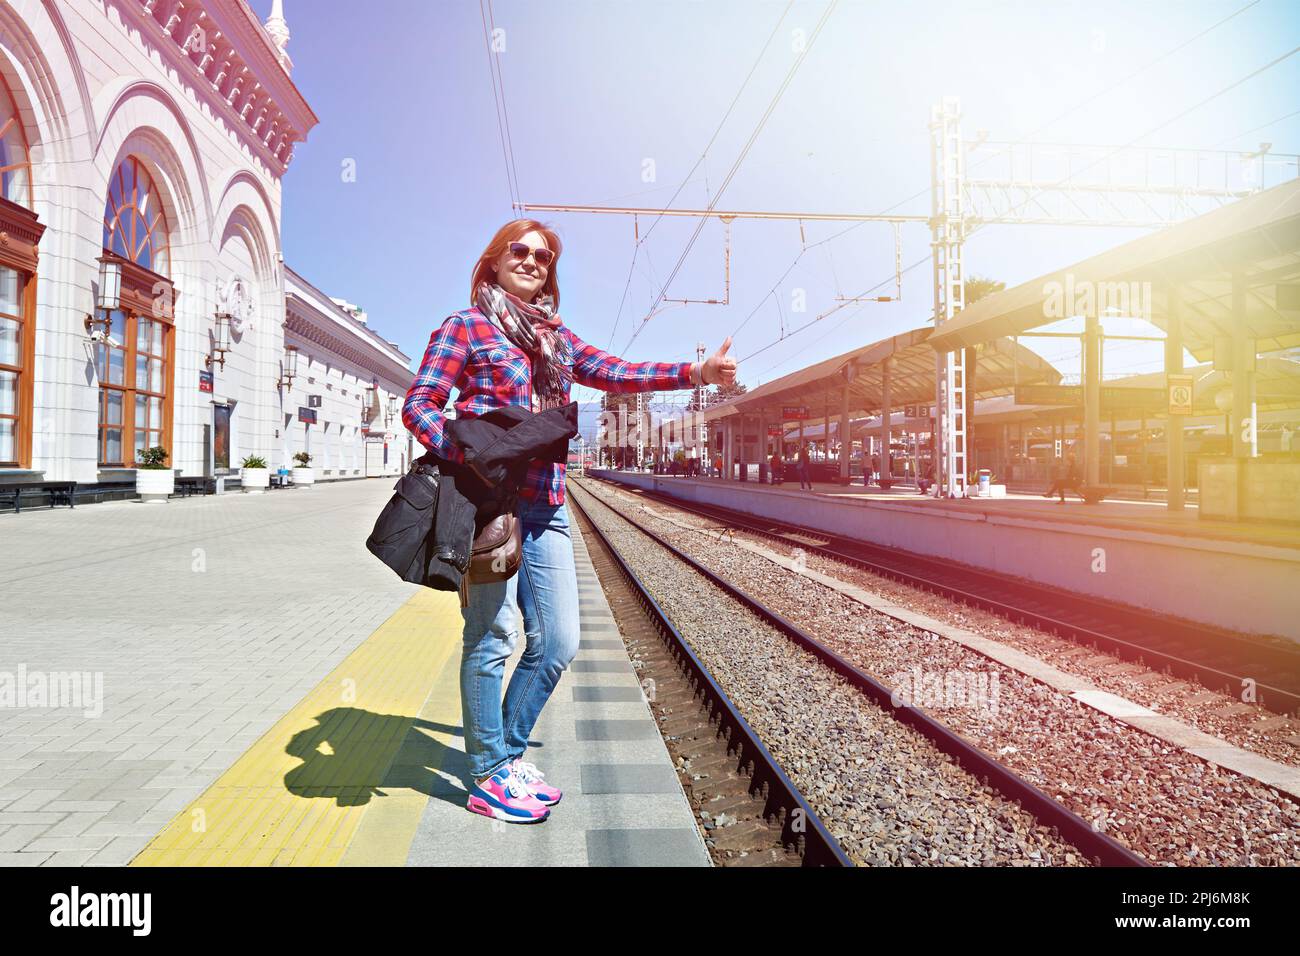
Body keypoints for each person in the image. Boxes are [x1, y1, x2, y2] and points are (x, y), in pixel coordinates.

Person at [404, 220, 738, 823]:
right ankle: (487, 776)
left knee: (557, 642)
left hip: (548, 506)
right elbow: (420, 404)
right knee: (492, 638)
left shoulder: (556, 338)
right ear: (493, 260)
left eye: (545, 256)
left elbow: (616, 371)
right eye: (521, 250)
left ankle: (502, 756)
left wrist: (695, 375)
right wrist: (466, 454)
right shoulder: (466, 326)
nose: (533, 261)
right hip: (490, 506)